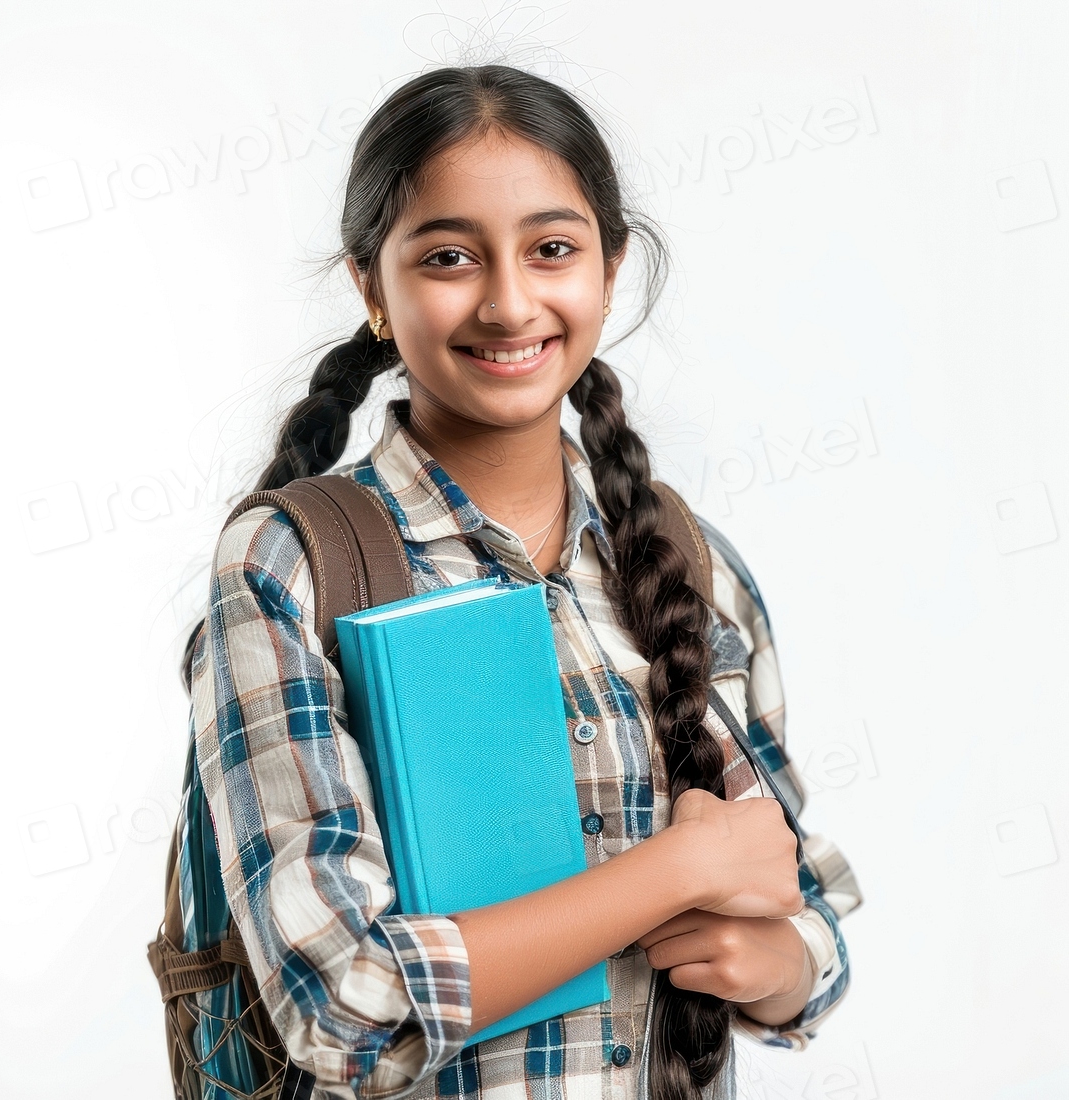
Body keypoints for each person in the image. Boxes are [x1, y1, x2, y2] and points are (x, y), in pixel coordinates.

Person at [184, 63, 862, 1100]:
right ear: (372, 285)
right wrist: (669, 874)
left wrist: (784, 969)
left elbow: (790, 884)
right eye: (449, 256)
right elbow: (344, 1010)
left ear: (609, 264)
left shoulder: (688, 558)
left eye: (551, 249)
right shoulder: (290, 562)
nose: (508, 303)